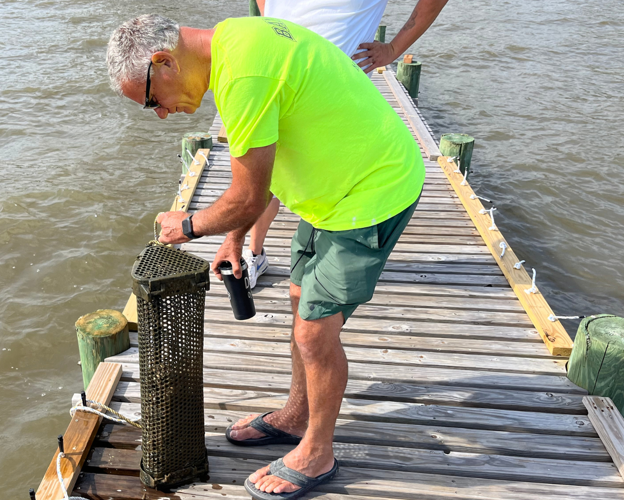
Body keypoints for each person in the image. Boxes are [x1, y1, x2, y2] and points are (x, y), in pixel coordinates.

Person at [106, 14, 424, 500]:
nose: (163, 114)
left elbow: (247, 195)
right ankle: (297, 416)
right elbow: (260, 176)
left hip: (372, 192)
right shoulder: (235, 38)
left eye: (152, 101)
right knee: (300, 299)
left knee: (315, 334)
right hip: (328, 194)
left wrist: (189, 226)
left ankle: (318, 453)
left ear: (163, 61)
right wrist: (233, 240)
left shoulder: (243, 76)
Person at [243, 0, 449, 290]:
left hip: (336, 92)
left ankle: (324, 266)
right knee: (260, 171)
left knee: (327, 180)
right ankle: (254, 253)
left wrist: (393, 49)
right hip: (271, 70)